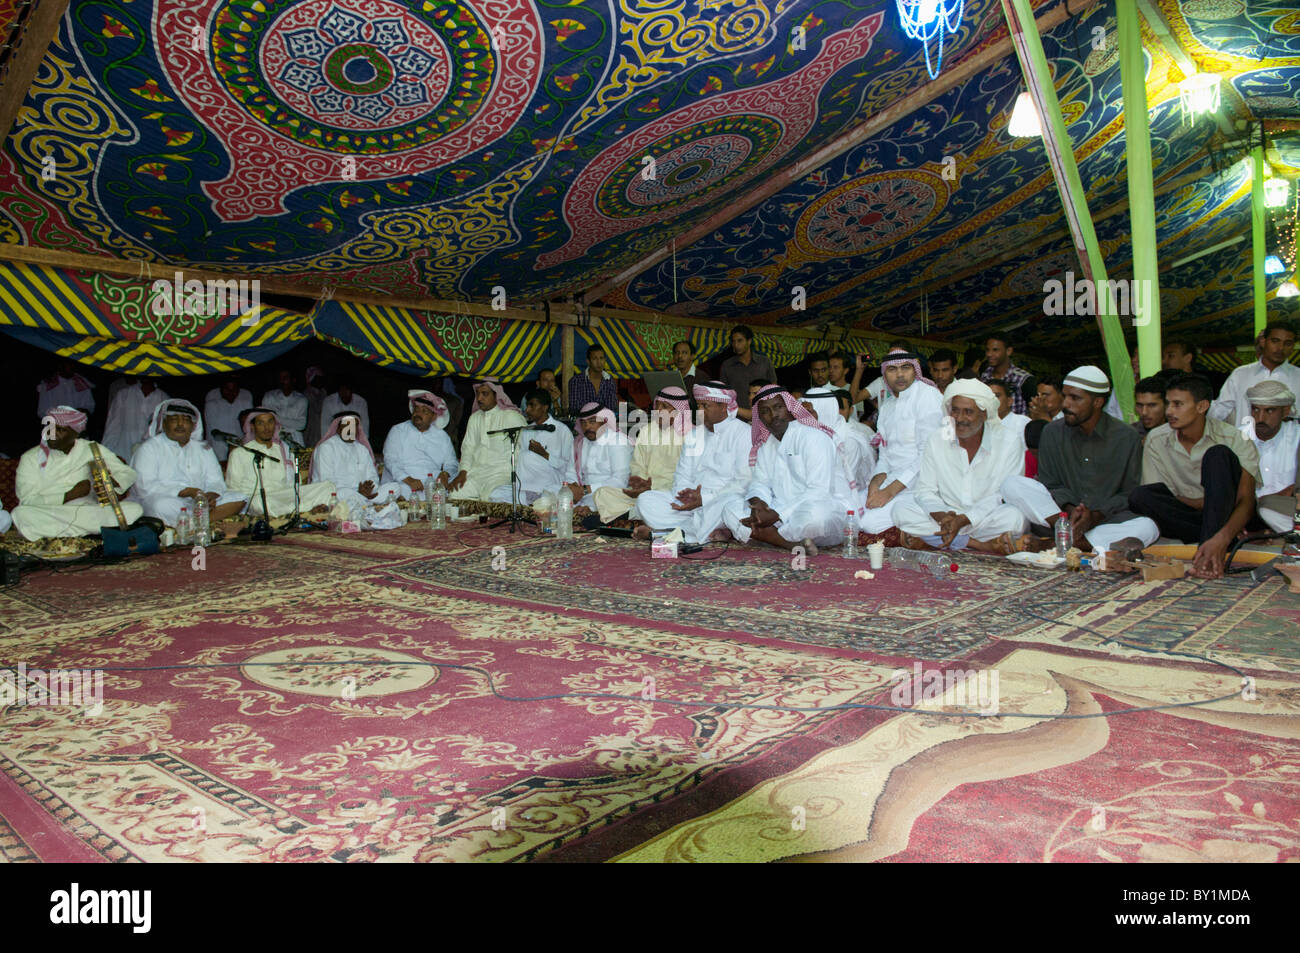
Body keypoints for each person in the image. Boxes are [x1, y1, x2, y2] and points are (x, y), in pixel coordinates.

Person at [1001, 366, 1159, 554]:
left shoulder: (1126, 437)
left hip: (1106, 519)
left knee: (1148, 527)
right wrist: (1070, 510)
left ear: (1098, 402)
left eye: (1075, 398)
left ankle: (1056, 544)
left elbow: (1128, 493)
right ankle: (1072, 537)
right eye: (1065, 396)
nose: (1066, 404)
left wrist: (1095, 516)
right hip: (1058, 517)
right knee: (1011, 484)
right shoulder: (1052, 432)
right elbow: (1049, 483)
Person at [1129, 374, 1260, 579]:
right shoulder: (1156, 438)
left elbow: (1246, 500)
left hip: (1227, 514)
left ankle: (1210, 550)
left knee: (1218, 455)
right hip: (1188, 516)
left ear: (1201, 407)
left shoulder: (1233, 438)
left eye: (1178, 404)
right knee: (1139, 496)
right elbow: (1161, 495)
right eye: (1168, 404)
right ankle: (1216, 542)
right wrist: (1203, 504)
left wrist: (1221, 535)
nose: (1169, 411)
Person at [892, 380, 1028, 554]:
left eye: (968, 412)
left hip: (984, 518)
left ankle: (936, 540)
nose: (960, 419)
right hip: (945, 517)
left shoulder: (1008, 441)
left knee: (1015, 518)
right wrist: (944, 518)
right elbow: (925, 490)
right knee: (901, 510)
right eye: (954, 410)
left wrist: (965, 519)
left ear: (984, 414)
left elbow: (1003, 495)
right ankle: (976, 544)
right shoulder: (937, 438)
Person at [718, 386, 852, 553]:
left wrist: (776, 514)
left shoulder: (814, 438)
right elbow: (760, 482)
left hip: (819, 507)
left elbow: (819, 491)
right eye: (766, 411)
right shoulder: (766, 446)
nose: (773, 415)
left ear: (789, 409)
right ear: (760, 418)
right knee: (729, 507)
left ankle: (767, 536)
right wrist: (759, 505)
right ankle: (789, 544)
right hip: (777, 512)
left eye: (778, 407)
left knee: (816, 517)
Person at [634, 382, 753, 543]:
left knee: (731, 506)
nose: (700, 411)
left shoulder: (743, 434)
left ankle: (668, 534)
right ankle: (706, 532)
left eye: (706, 406)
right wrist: (686, 497)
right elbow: (682, 474)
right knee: (646, 500)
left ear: (723, 407)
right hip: (690, 506)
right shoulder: (694, 435)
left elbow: (742, 482)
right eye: (698, 405)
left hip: (719, 501)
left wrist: (704, 499)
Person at [12, 406, 143, 541]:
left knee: (135, 509)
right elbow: (27, 501)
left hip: (87, 510)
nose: (51, 433)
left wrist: (110, 481)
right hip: (51, 511)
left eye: (60, 429)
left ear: (76, 433)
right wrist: (69, 495)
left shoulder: (92, 448)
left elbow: (128, 473)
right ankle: (91, 532)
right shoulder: (30, 458)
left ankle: (63, 533)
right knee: (20, 514)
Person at [860, 349, 945, 534]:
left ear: (914, 369)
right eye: (892, 369)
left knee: (869, 524)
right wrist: (875, 485)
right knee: (851, 511)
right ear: (884, 375)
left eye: (905, 367)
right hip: (892, 481)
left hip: (920, 485)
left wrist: (889, 492)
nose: (899, 374)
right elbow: (884, 456)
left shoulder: (928, 396)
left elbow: (928, 455)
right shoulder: (887, 407)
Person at [131, 400, 248, 528]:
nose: (180, 424)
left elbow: (216, 481)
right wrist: (184, 492)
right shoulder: (149, 448)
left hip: (199, 503)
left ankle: (191, 523)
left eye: (186, 420)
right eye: (174, 419)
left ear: (193, 425)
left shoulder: (204, 448)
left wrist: (210, 495)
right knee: (160, 506)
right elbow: (144, 486)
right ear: (164, 424)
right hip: (168, 500)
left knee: (240, 498)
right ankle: (201, 522)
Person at [591, 387, 689, 523]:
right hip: (643, 493)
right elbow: (637, 464)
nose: (658, 410)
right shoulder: (646, 430)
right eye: (657, 405)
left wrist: (652, 488)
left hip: (668, 493)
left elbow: (686, 478)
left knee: (654, 502)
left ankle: (629, 515)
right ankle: (637, 515)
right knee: (602, 494)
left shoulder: (689, 435)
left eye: (664, 406)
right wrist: (640, 484)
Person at [225, 408, 336, 518]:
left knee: (328, 487)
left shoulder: (284, 450)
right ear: (252, 427)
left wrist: (299, 495)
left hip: (283, 496)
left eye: (270, 422)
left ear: (276, 424)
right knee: (261, 503)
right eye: (260, 423)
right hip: (257, 499)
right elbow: (233, 489)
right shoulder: (239, 453)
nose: (266, 427)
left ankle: (299, 510)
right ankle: (305, 510)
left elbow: (293, 485)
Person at [311, 410, 405, 523]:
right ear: (338, 428)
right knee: (344, 493)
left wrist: (370, 489)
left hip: (363, 495)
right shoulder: (326, 448)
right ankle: (370, 507)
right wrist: (358, 492)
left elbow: (373, 477)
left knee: (395, 487)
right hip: (336, 494)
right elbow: (326, 482)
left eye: (354, 426)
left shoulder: (362, 449)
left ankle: (364, 505)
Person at [489, 388, 574, 504]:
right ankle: (530, 499)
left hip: (552, 483)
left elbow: (569, 467)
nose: (527, 410)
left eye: (532, 405)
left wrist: (545, 455)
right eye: (527, 405)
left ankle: (533, 499)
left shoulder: (562, 431)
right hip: (526, 486)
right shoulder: (527, 430)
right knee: (496, 493)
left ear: (545, 407)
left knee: (528, 456)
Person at [448, 379, 527, 501]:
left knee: (492, 496)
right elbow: (468, 449)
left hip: (501, 474)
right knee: (454, 494)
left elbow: (523, 450)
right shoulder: (474, 418)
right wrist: (463, 472)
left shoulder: (512, 417)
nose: (479, 398)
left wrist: (514, 472)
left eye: (485, 394)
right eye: (478, 394)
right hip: (477, 473)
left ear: (497, 395)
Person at [1211, 323, 1300, 425]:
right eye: (1275, 341)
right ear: (1263, 341)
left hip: (1289, 440)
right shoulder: (1240, 374)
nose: (1280, 348)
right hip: (1245, 439)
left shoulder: (1298, 377)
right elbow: (1220, 410)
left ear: (1293, 346)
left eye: (1288, 343)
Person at [1243, 380, 1299, 534]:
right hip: (1247, 515)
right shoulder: (1236, 438)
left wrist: (1292, 490)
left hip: (1287, 511)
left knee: (1268, 506)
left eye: (1269, 411)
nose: (1260, 418)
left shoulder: (1297, 436)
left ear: (1286, 411)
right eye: (1255, 409)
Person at [383, 390, 459, 500]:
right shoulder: (398, 431)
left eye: (424, 411)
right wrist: (409, 480)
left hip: (432, 482)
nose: (418, 414)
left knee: (460, 486)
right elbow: (390, 460)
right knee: (396, 490)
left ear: (433, 416)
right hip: (404, 481)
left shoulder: (441, 436)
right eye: (417, 409)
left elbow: (451, 462)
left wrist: (445, 474)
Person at [804, 387, 871, 498]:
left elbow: (845, 483)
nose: (805, 415)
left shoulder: (848, 439)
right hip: (814, 492)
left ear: (823, 409)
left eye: (810, 410)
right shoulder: (805, 434)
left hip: (850, 495)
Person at [565, 402, 632, 511]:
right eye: (583, 423)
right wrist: (574, 489)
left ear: (604, 420)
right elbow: (570, 472)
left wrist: (585, 490)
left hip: (609, 494)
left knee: (604, 497)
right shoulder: (579, 443)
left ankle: (589, 510)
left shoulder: (618, 441)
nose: (587, 427)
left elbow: (620, 481)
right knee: (551, 491)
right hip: (582, 494)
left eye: (592, 421)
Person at [102, 376, 169, 463]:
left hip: (150, 454)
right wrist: (106, 452)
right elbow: (112, 425)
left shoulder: (164, 399)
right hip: (123, 451)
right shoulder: (124, 394)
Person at [718, 325, 776, 422]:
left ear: (749, 341)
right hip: (736, 419)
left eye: (740, 341)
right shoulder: (727, 365)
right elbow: (723, 394)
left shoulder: (764, 362)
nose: (736, 345)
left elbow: (774, 390)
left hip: (763, 418)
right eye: (733, 341)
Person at [203, 377, 253, 463]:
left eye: (234, 389)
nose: (231, 392)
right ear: (221, 390)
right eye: (227, 389)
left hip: (241, 445)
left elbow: (249, 430)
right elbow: (211, 432)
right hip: (219, 446)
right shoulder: (211, 405)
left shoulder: (246, 403)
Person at [979, 334, 1031, 415]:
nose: (989, 354)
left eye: (995, 350)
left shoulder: (1023, 379)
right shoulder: (984, 377)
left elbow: (1035, 411)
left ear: (1008, 351)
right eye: (987, 350)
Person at [261, 368, 309, 446]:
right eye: (280, 378)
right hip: (274, 440)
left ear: (293, 380)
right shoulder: (269, 396)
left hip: (294, 440)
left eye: (285, 378)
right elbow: (266, 420)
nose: (282, 381)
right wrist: (291, 423)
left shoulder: (301, 399)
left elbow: (301, 425)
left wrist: (276, 417)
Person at [1161, 339, 1226, 394]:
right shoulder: (1162, 382)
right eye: (1163, 357)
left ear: (1188, 358)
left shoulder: (1211, 381)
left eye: (1170, 356)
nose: (1163, 361)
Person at [568, 345, 618, 413]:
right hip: (583, 422)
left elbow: (611, 409)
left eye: (601, 358)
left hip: (604, 422)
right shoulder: (576, 381)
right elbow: (575, 409)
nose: (599, 362)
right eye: (594, 359)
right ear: (588, 361)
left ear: (605, 360)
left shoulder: (610, 381)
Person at [986, 378, 1030, 445]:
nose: (992, 400)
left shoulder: (1023, 424)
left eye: (997, 396)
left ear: (1009, 401)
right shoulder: (979, 425)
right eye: (987, 396)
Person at [1133, 375, 1170, 439]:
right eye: (1140, 405)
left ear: (1166, 405)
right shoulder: (1128, 435)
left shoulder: (1180, 433)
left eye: (1151, 405)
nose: (1144, 412)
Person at [303, 367, 328, 446]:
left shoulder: (323, 393)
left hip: (321, 428)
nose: (320, 381)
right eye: (317, 378)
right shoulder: (307, 394)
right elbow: (317, 409)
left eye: (321, 378)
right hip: (310, 429)